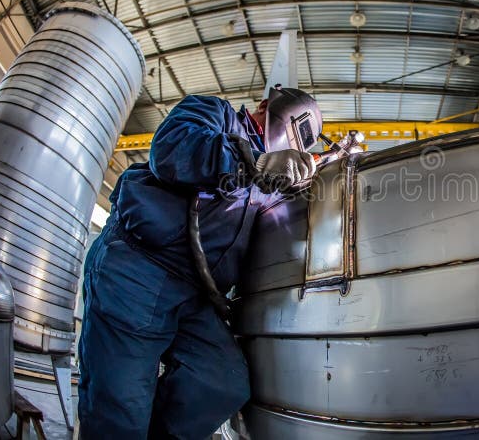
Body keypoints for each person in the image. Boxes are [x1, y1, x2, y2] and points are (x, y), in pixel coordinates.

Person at [78, 87, 322, 439]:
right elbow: (171, 149)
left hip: (194, 296)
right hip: (138, 271)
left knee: (221, 382)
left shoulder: (269, 184)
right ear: (266, 106)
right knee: (120, 410)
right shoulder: (218, 116)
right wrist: (250, 161)